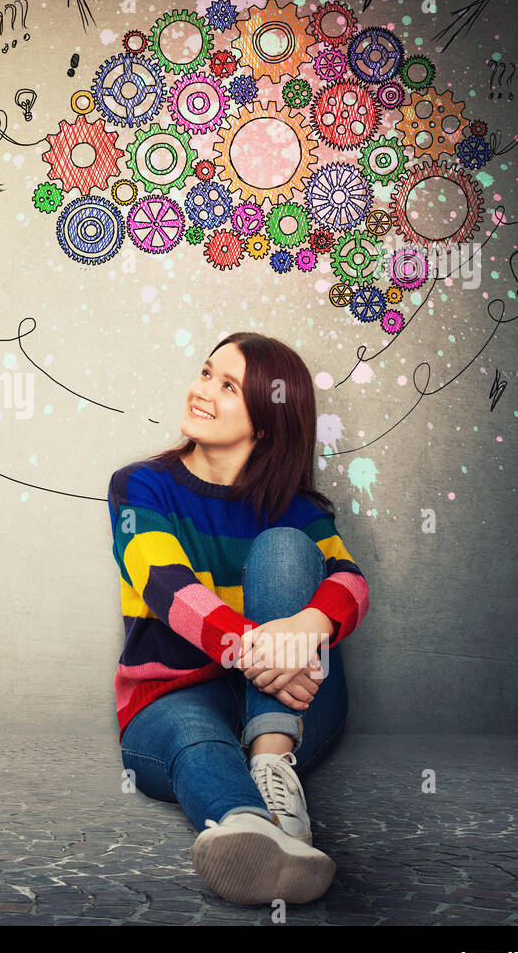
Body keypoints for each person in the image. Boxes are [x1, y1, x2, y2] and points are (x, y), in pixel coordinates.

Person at [108, 331, 370, 905]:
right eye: (207, 374)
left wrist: (307, 628)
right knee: (194, 737)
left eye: (229, 387)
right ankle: (249, 829)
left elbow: (351, 582)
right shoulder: (139, 486)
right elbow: (164, 584)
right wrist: (261, 651)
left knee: (283, 548)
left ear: (268, 422)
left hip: (295, 704)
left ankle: (273, 765)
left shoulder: (295, 509)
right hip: (172, 697)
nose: (204, 391)